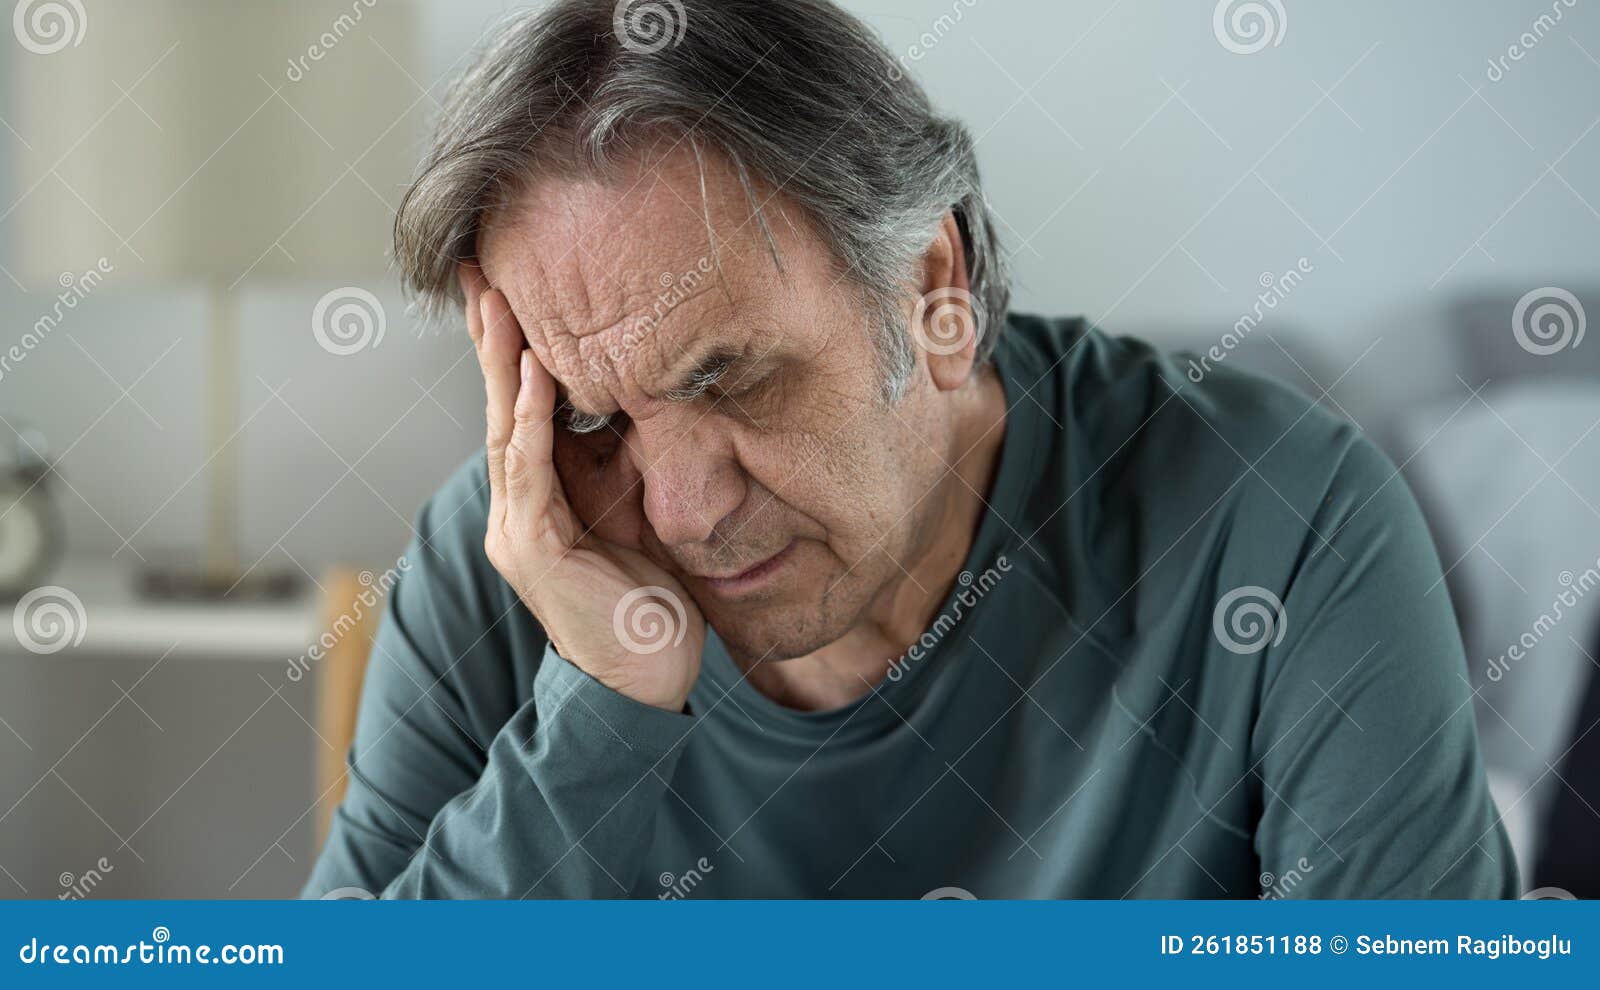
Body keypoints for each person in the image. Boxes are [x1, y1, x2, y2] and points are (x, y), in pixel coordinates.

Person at [303, 0, 1515, 899]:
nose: (677, 511)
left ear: (930, 285)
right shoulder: (505, 561)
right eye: (590, 416)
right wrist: (602, 709)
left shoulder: (1288, 523)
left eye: (733, 379)